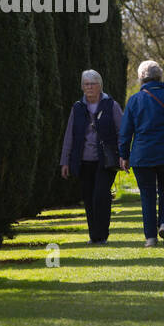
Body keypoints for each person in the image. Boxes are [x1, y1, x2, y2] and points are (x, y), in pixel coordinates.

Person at [118, 60, 164, 247]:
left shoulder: (134, 100)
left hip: (142, 155)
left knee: (147, 195)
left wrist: (123, 155)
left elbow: (125, 131)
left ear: (141, 78)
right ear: (160, 77)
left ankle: (150, 237)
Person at [60, 69, 123, 244]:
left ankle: (102, 234)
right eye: (86, 84)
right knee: (88, 198)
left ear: (99, 86)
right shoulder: (77, 107)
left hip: (106, 161)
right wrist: (65, 161)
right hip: (83, 161)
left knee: (101, 195)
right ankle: (94, 235)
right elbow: (69, 136)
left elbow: (122, 132)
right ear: (82, 86)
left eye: (92, 84)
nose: (89, 87)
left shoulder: (111, 105)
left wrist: (123, 155)